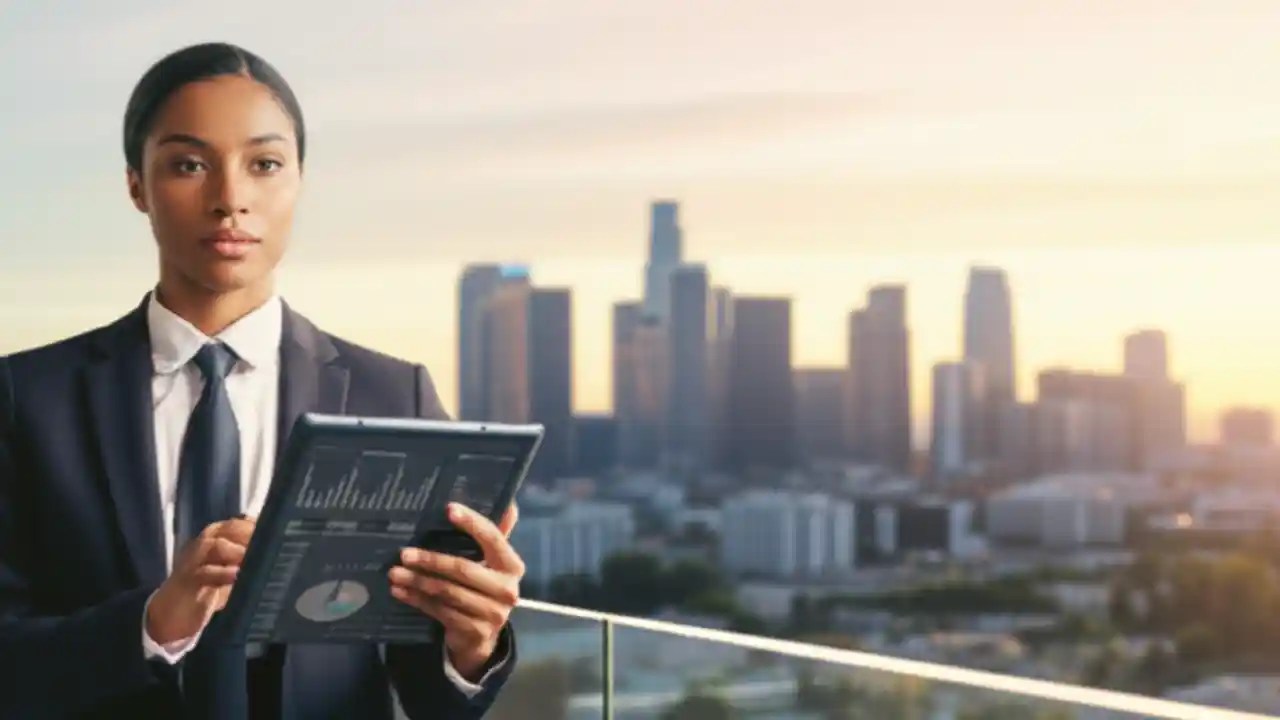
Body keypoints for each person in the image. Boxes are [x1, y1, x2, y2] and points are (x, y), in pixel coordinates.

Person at [0, 42, 523, 719]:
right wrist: (152, 624)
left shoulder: (396, 398)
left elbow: (432, 697)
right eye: (188, 165)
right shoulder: (27, 400)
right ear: (137, 185)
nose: (230, 199)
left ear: (299, 180)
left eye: (265, 165)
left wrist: (471, 645)